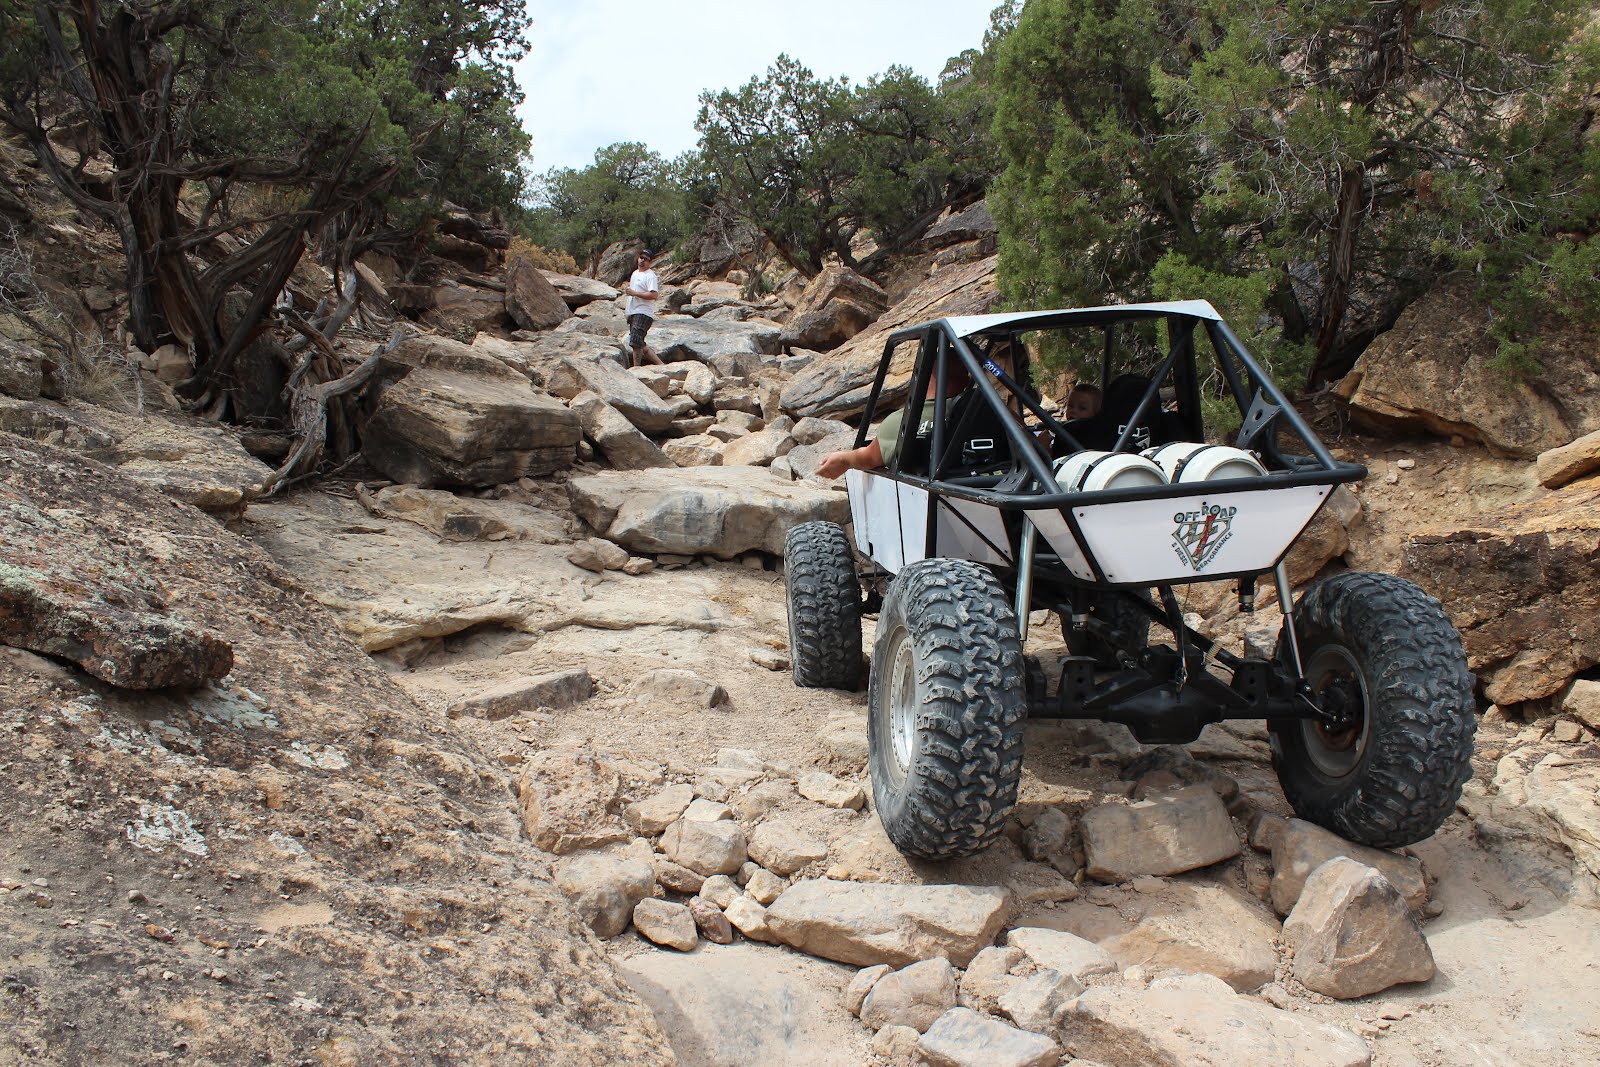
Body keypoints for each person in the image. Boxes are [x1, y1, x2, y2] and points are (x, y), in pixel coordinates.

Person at [623, 247, 664, 367]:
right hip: (633, 311)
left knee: (635, 342)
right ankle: (661, 364)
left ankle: (636, 369)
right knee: (639, 342)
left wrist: (635, 293)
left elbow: (654, 294)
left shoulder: (650, 276)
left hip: (643, 312)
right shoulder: (635, 274)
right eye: (641, 257)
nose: (642, 261)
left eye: (646, 259)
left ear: (650, 262)